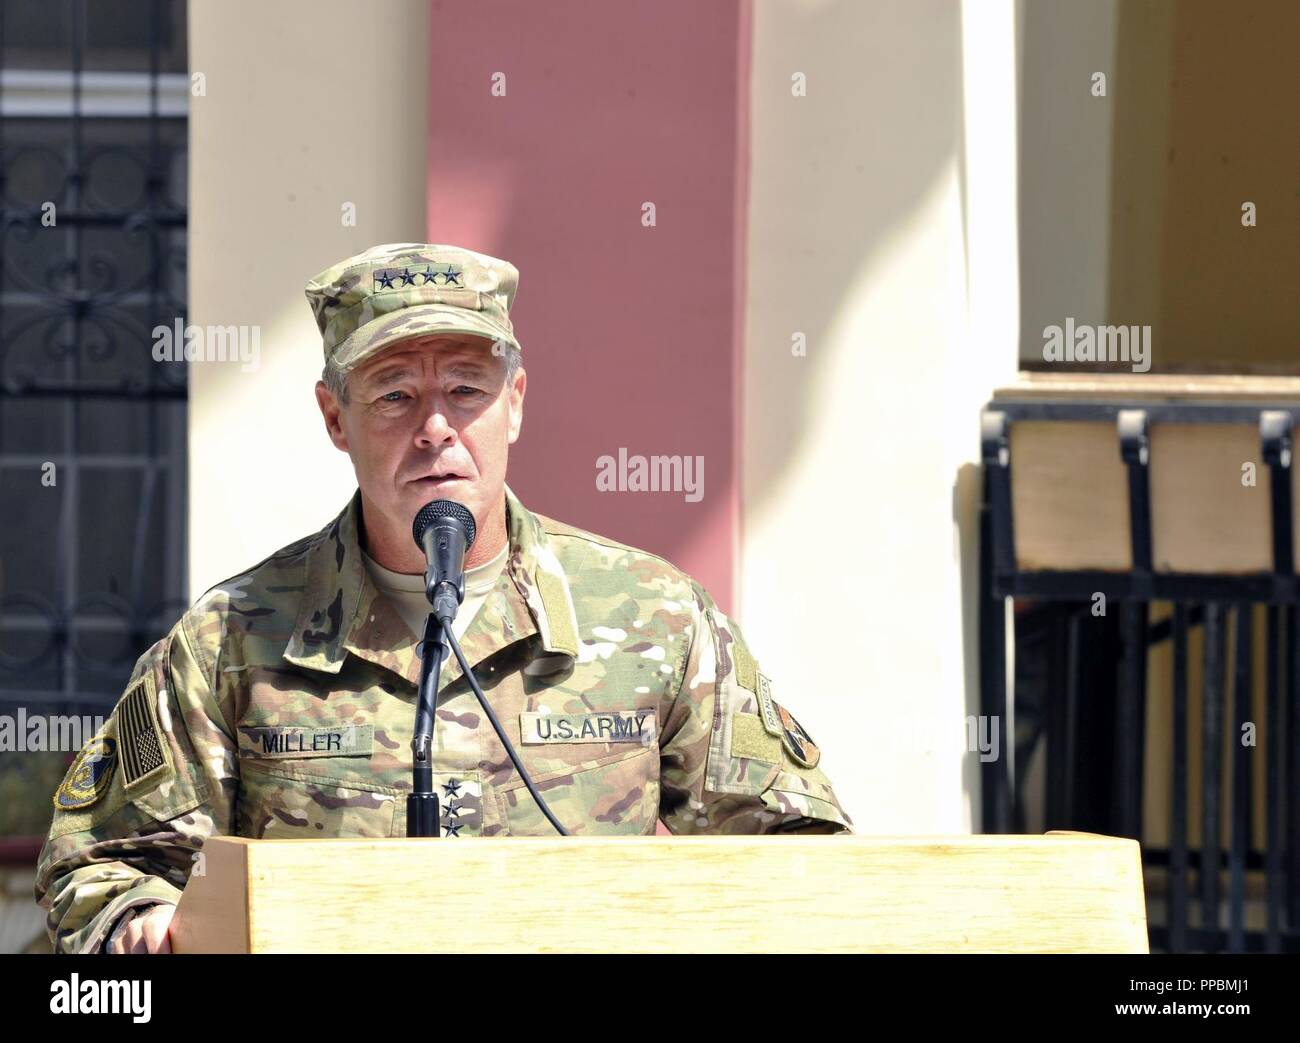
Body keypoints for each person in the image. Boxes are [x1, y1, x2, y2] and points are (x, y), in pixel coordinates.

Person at [35, 243, 852, 954]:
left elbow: (805, 852)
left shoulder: (653, 617)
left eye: (466, 390)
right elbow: (101, 864)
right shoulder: (233, 638)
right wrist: (146, 923)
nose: (435, 427)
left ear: (515, 403)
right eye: (394, 395)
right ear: (335, 418)